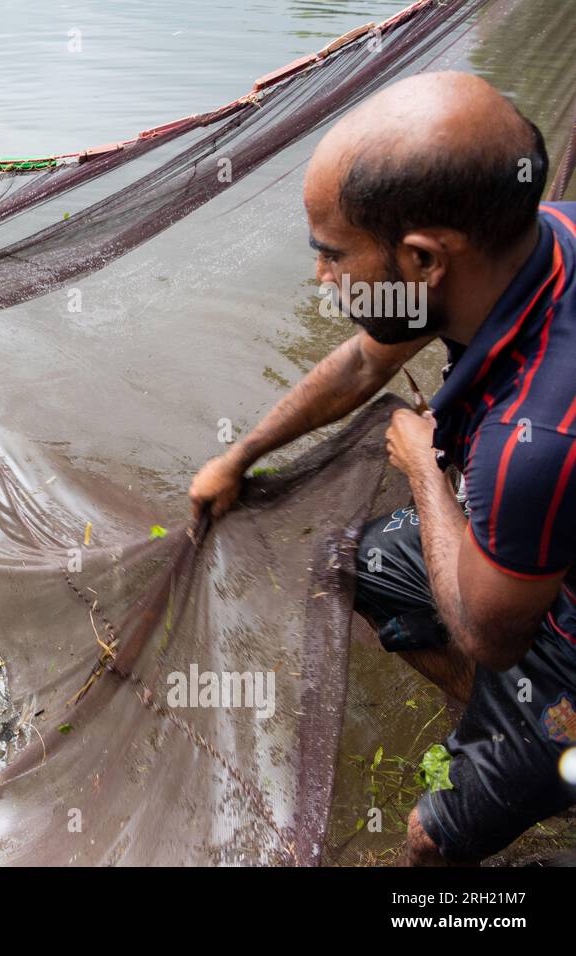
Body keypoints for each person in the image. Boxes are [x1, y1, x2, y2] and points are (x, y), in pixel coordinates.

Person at [189, 71, 575, 865]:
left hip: (547, 616)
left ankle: (537, 754)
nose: (321, 281)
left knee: (432, 840)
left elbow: (487, 633)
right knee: (359, 560)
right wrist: (239, 456)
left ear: (424, 257)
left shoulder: (532, 440)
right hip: (540, 551)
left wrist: (427, 466)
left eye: (332, 257)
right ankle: (500, 728)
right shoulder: (538, 241)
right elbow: (365, 362)